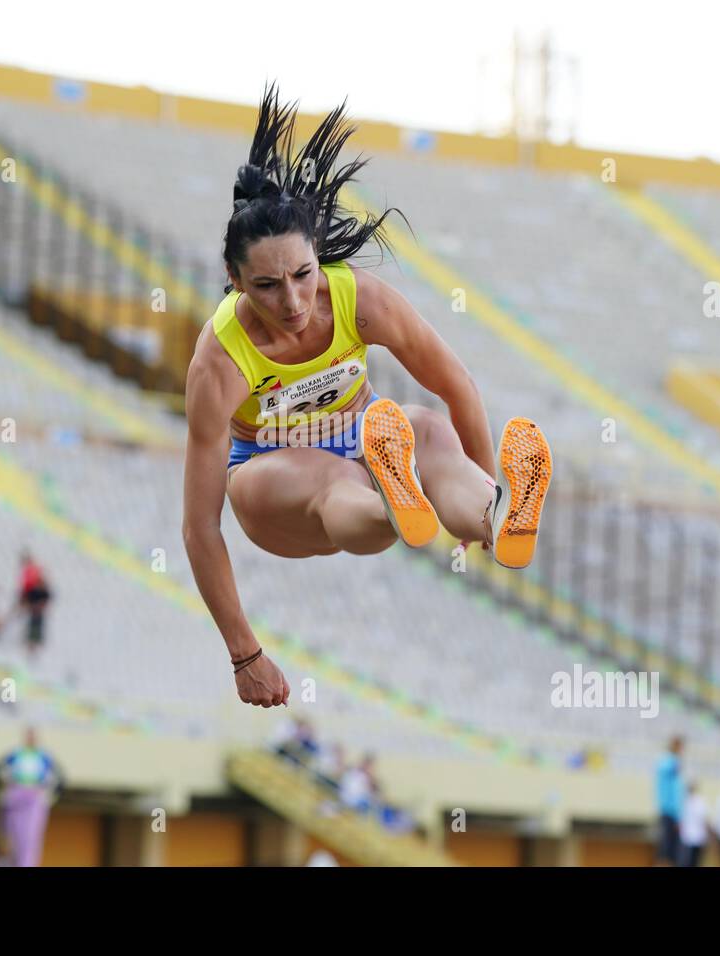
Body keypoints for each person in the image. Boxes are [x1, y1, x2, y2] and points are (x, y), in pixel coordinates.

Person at [182, 84, 553, 709]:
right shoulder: (219, 360)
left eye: (303, 275)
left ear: (318, 259)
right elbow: (198, 526)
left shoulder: (357, 298)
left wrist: (479, 482)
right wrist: (244, 653)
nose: (294, 303)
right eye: (267, 287)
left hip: (364, 441)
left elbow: (455, 383)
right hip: (274, 486)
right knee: (333, 476)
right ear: (234, 279)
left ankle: (494, 514)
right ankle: (399, 503)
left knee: (428, 429)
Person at [0, 728, 64, 867]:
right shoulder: (17, 753)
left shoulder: (43, 755)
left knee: (30, 838)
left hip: (34, 794)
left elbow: (58, 774)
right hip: (16, 792)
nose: (30, 739)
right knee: (9, 834)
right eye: (28, 736)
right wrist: (4, 783)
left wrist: (53, 791)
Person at [654, 736, 685, 866]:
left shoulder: (672, 763)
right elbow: (674, 791)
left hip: (672, 811)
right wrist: (678, 815)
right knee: (666, 848)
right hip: (669, 810)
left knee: (673, 849)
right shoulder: (669, 762)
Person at [16, 551, 52, 655]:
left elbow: (43, 591)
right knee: (33, 623)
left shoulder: (34, 571)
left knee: (35, 623)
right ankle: (31, 642)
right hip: (32, 599)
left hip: (35, 601)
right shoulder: (31, 571)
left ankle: (33, 642)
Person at [679, 781, 708, 866]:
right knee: (689, 861)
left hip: (694, 836)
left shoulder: (698, 800)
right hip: (688, 837)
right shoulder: (685, 800)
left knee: (693, 860)